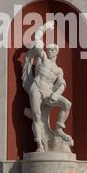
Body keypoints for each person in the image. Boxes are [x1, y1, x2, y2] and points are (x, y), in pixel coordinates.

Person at [22, 21, 72, 152]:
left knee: (67, 104)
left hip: (48, 93)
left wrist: (56, 93)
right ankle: (39, 145)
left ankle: (59, 128)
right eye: (49, 49)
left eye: (53, 49)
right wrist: (44, 28)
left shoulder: (58, 70)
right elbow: (37, 40)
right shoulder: (43, 57)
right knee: (36, 116)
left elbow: (62, 83)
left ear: (57, 52)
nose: (50, 51)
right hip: (36, 88)